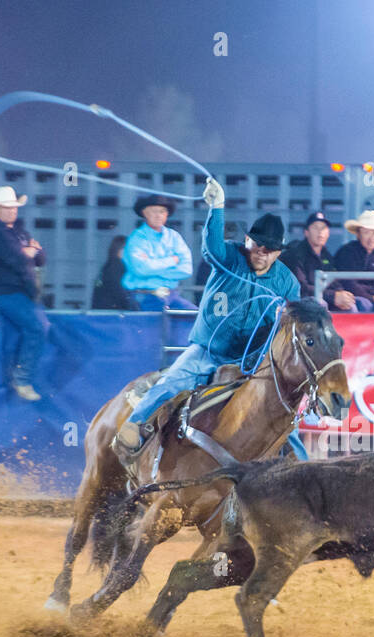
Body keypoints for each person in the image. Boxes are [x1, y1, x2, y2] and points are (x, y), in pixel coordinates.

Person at [114, 177, 301, 465]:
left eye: (270, 249)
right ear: (248, 241)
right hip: (209, 351)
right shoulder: (228, 256)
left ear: (278, 251)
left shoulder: (287, 281)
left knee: (282, 411)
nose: (262, 253)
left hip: (251, 362)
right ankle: (134, 426)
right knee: (172, 382)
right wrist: (217, 207)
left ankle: (299, 464)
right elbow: (210, 247)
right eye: (258, 245)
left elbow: (293, 320)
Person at [0, 185, 48, 402]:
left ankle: (21, 376)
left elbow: (38, 258)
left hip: (22, 293)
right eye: (6, 207)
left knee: (37, 328)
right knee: (38, 327)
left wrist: (30, 252)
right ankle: (23, 378)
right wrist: (28, 252)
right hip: (6, 292)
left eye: (14, 207)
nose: (12, 211)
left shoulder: (17, 232)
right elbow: (18, 259)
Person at [122, 194, 195, 312]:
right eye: (153, 211)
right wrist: (172, 261)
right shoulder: (137, 238)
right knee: (156, 327)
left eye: (162, 211)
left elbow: (186, 270)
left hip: (171, 296)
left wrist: (152, 267)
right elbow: (141, 269)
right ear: (144, 213)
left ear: (167, 214)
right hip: (145, 296)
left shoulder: (174, 236)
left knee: (195, 317)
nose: (158, 215)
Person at [280, 211, 364, 311]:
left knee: (352, 305)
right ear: (306, 232)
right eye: (315, 227)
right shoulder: (295, 254)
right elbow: (301, 288)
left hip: (322, 297)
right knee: (320, 305)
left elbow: (334, 282)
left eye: (323, 228)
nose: (320, 232)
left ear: (328, 233)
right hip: (299, 303)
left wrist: (341, 294)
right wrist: (333, 296)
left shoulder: (326, 256)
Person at [92, 235, 136, 310]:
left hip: (102, 308)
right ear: (120, 250)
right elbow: (118, 290)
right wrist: (132, 307)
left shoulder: (109, 265)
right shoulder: (117, 265)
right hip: (112, 310)